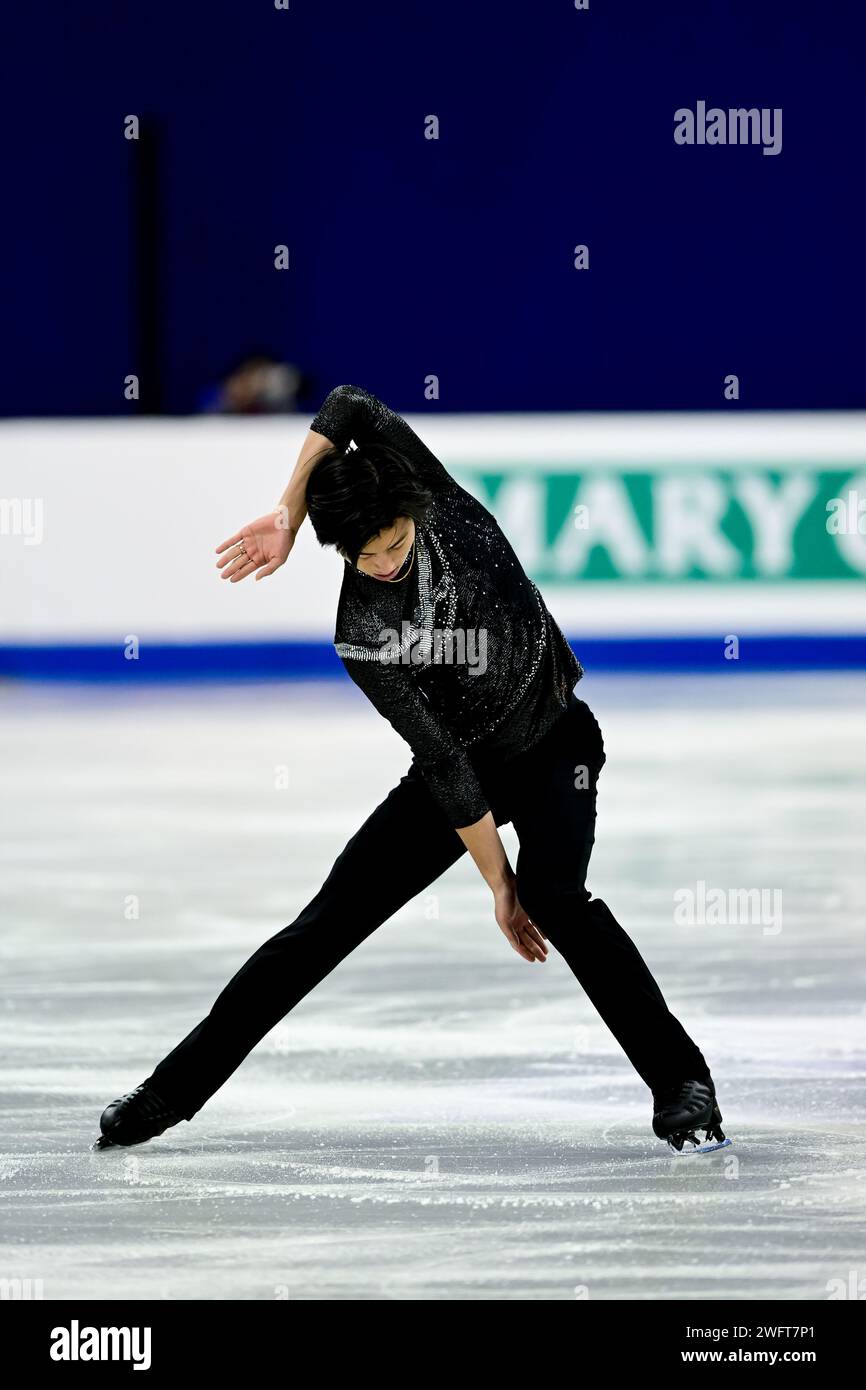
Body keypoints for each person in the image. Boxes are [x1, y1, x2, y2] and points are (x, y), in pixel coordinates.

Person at [94, 385, 728, 1156]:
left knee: (559, 898)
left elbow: (349, 405)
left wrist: (285, 512)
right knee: (325, 923)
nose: (389, 563)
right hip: (459, 772)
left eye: (396, 543)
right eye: (371, 557)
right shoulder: (362, 631)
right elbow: (444, 763)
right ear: (345, 557)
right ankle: (168, 1094)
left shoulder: (434, 496)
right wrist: (498, 883)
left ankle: (682, 1088)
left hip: (558, 740)